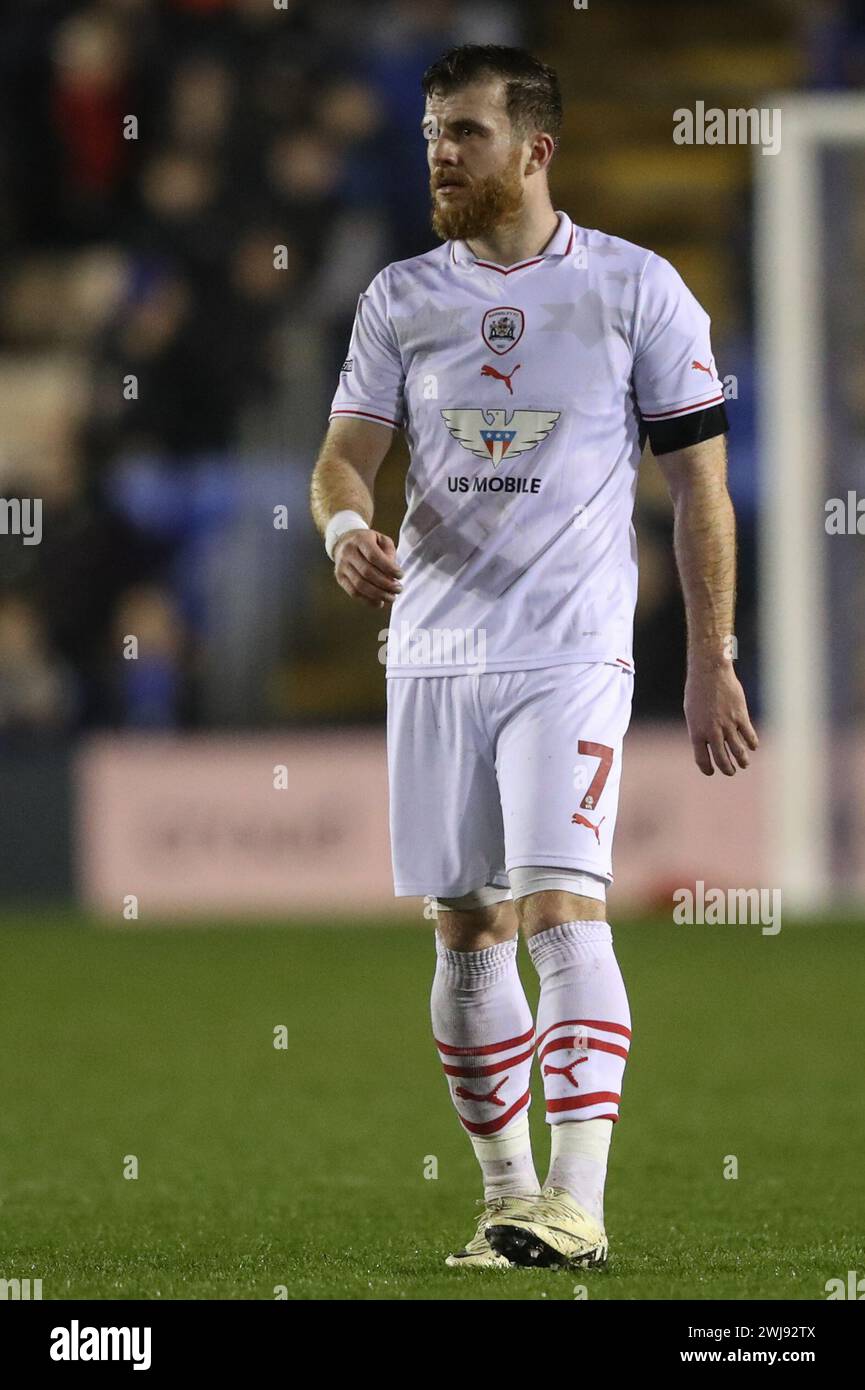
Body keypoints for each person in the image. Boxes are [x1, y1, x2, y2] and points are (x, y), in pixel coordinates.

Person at [310, 44, 758, 1270]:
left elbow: (699, 492)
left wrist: (710, 655)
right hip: (434, 653)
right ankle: (508, 1198)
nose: (439, 156)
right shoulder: (400, 297)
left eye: (462, 133)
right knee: (465, 930)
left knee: (563, 910)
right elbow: (342, 462)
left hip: (567, 649)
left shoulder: (635, 288)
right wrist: (349, 529)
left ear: (535, 148)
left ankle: (579, 1201)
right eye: (429, 137)